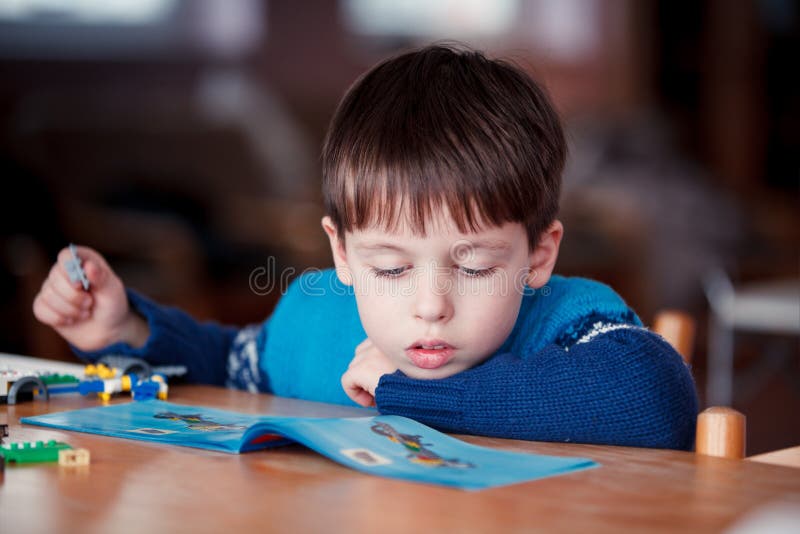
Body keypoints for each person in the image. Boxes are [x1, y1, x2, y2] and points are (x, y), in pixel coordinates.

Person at [33, 44, 698, 450]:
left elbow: (655, 398)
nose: (430, 305)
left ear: (538, 257)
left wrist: (407, 392)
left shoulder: (569, 323)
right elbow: (223, 365)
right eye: (391, 267)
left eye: (473, 265)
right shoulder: (314, 321)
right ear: (343, 255)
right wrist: (127, 326)